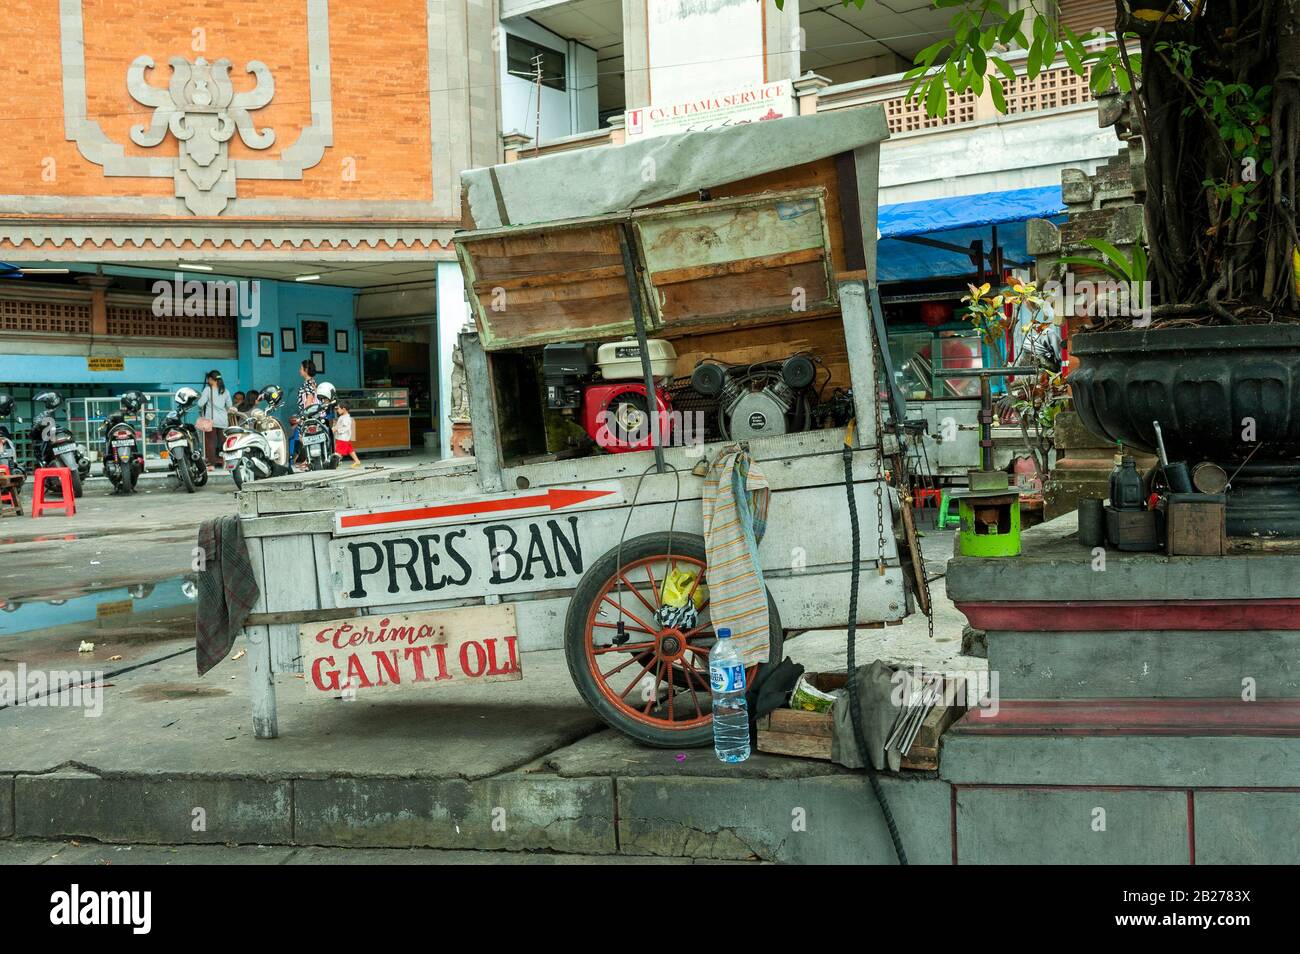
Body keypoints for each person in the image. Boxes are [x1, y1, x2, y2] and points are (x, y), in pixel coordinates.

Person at [197, 370, 233, 469]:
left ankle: (211, 465)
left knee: (210, 442)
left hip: (211, 421)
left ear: (212, 379)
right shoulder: (225, 391)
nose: (208, 380)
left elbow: (200, 404)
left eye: (209, 378)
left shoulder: (208, 390)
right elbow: (229, 406)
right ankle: (227, 462)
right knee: (223, 442)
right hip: (223, 420)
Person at [333, 403, 361, 468]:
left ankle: (335, 463)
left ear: (344, 409)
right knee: (350, 450)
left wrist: (337, 430)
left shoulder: (346, 418)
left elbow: (346, 428)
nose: (337, 410)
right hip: (344, 438)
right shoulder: (343, 417)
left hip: (343, 438)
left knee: (338, 452)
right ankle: (357, 461)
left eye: (338, 409)